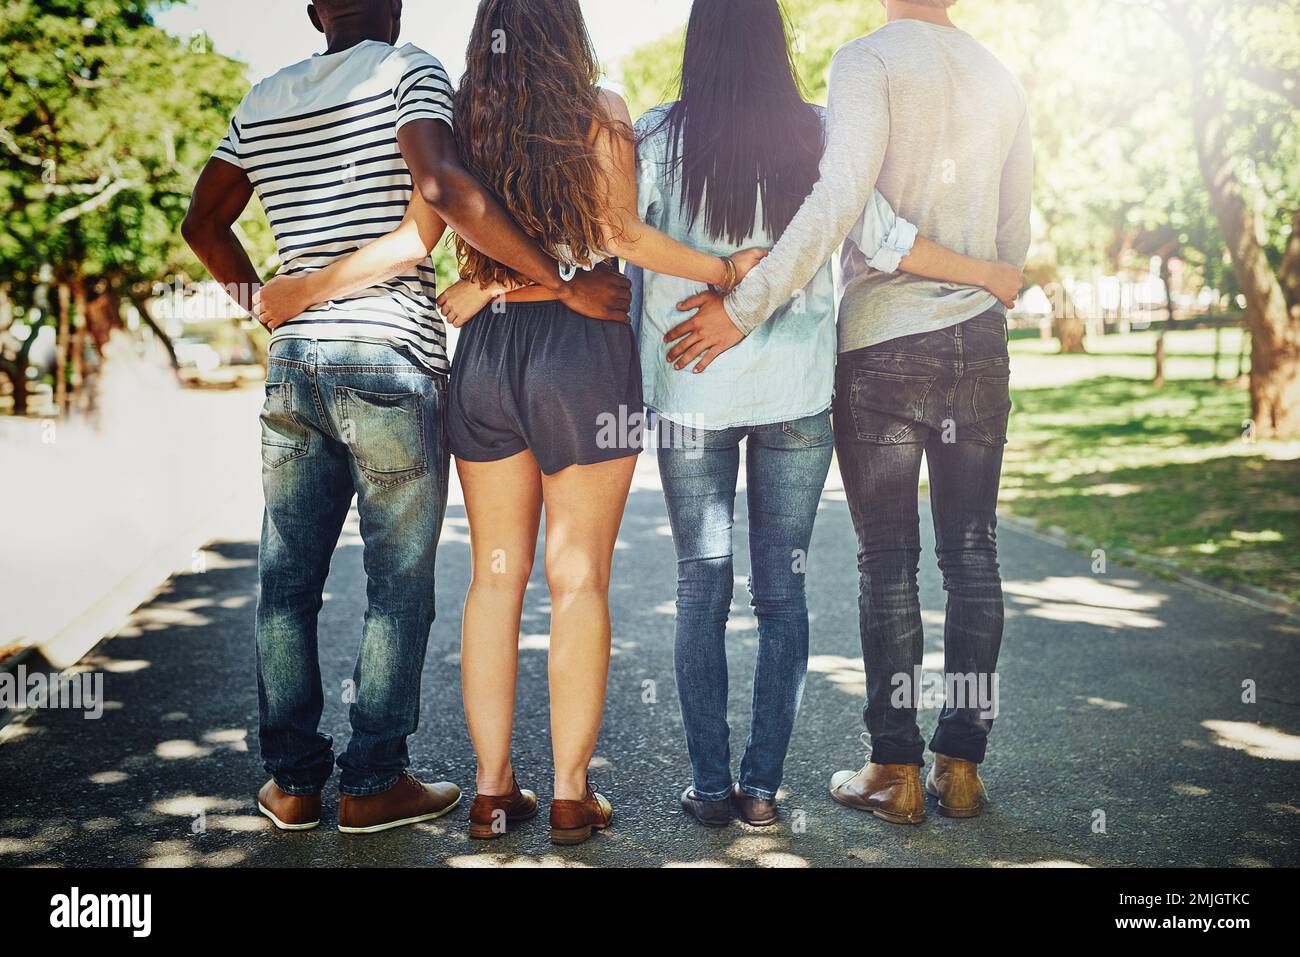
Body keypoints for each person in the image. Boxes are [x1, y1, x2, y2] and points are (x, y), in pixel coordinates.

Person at [265, 0, 766, 845]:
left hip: (489, 357)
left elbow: (436, 228)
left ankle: (494, 792)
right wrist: (724, 269)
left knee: (495, 577)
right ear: (568, 28)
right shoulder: (600, 109)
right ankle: (571, 795)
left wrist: (492, 287)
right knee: (579, 581)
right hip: (585, 352)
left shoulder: (459, 116)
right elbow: (615, 234)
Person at [183, 0, 630, 834]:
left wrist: (270, 307)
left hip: (304, 367)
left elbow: (201, 220)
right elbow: (439, 197)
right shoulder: (410, 73)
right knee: (404, 585)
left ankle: (303, 783)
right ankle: (381, 779)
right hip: (392, 353)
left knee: (289, 580)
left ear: (314, 11)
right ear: (389, 4)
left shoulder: (264, 98)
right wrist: (563, 280)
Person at [628, 0, 1023, 828]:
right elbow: (882, 235)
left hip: (698, 384)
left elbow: (621, 249)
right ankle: (774, 790)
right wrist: (990, 275)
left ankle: (718, 787)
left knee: (706, 583)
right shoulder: (820, 127)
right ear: (779, 43)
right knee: (796, 591)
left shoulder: (657, 135)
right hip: (801, 395)